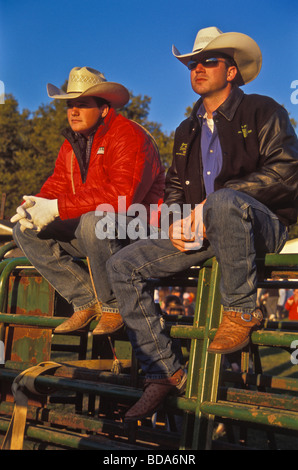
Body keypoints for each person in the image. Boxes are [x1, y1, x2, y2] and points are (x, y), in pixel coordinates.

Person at [105, 26, 298, 422]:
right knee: (120, 264)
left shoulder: (264, 109)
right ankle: (164, 371)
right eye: (193, 62)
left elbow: (288, 172)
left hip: (261, 223)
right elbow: (175, 188)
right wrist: (175, 221)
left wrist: (211, 205)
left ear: (231, 71)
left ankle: (242, 310)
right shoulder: (185, 129)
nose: (197, 68)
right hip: (206, 230)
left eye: (209, 61)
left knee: (225, 200)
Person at [11, 66, 165, 335]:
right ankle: (85, 300)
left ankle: (115, 305)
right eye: (70, 105)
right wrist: (32, 207)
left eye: (82, 105)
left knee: (94, 222)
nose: (73, 111)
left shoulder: (129, 135)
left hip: (141, 230)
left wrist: (57, 208)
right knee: (24, 230)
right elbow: (57, 186)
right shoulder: (71, 144)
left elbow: (123, 197)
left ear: (104, 109)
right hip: (95, 230)